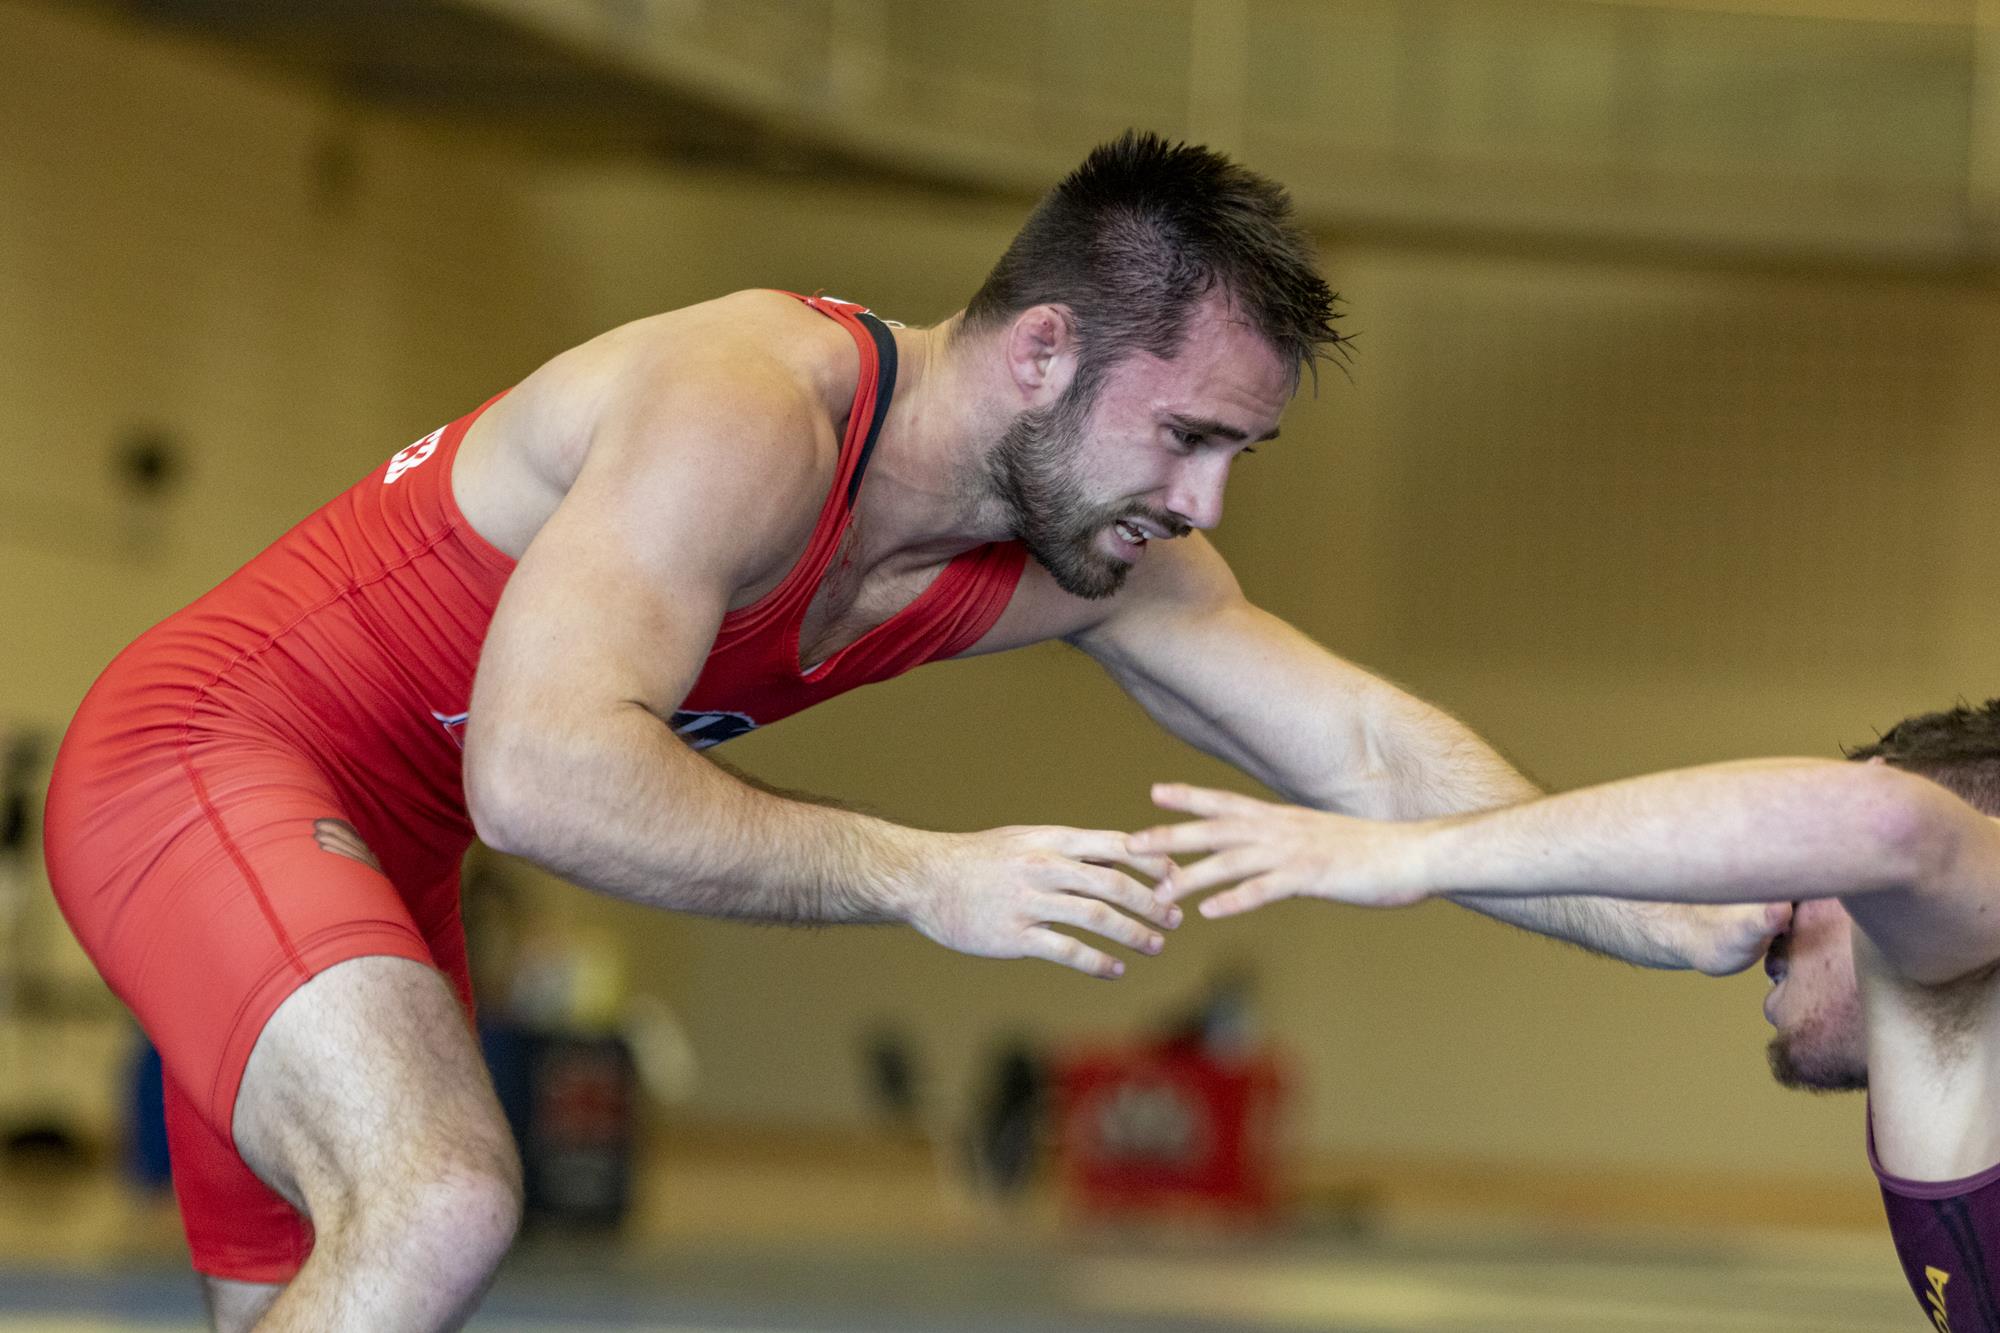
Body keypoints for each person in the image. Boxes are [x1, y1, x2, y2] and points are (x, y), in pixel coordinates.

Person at [43, 131, 1772, 1330]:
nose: (1206, 497)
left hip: (375, 850)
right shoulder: (748, 405)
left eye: (1240, 451)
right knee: (439, 1196)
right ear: (1040, 351)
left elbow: (1380, 757)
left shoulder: (1086, 559)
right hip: (207, 756)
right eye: (1184, 435)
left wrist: (1689, 912)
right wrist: (918, 873)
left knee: (331, 1284)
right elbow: (546, 767)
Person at [1133, 700, 2000, 1329]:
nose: (1770, 897)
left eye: (1815, 867)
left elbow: (1884, 820)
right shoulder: (1938, 1053)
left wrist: (1415, 855)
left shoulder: (1943, 975)